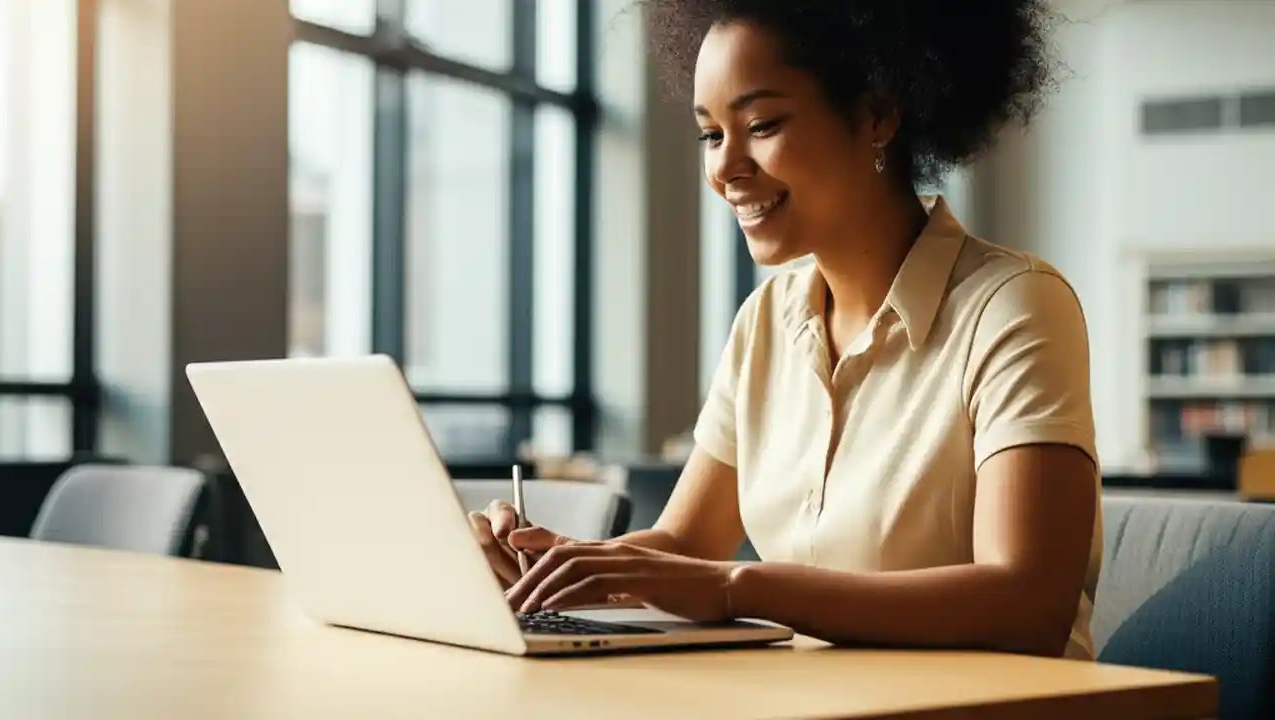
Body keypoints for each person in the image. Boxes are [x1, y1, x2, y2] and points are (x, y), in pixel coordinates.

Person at [469, 0, 1101, 659]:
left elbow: (1028, 603)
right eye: (711, 135)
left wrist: (739, 587)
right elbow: (684, 548)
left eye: (762, 124)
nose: (723, 167)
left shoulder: (1014, 308)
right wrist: (562, 565)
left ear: (877, 115)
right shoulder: (766, 323)